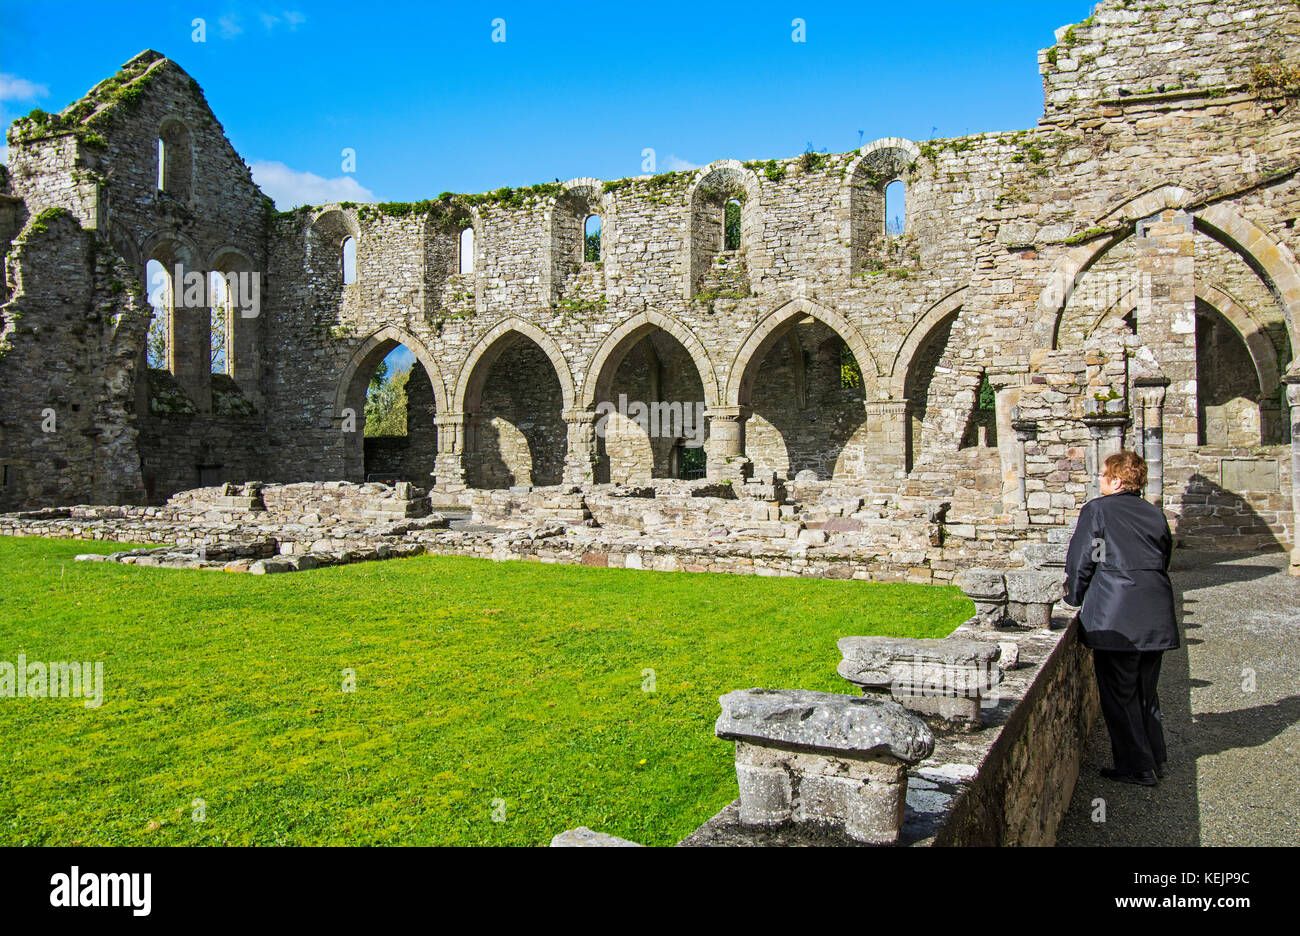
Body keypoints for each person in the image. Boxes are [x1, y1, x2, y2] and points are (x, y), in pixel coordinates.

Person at [1064, 450, 1178, 787]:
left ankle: (1137, 766)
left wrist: (1073, 596)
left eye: (1102, 475)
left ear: (1115, 480)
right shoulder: (1154, 514)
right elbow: (1163, 555)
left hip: (1117, 618)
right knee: (1145, 690)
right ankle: (1154, 755)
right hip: (1155, 611)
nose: (1098, 480)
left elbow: (1083, 558)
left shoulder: (1098, 510)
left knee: (1119, 693)